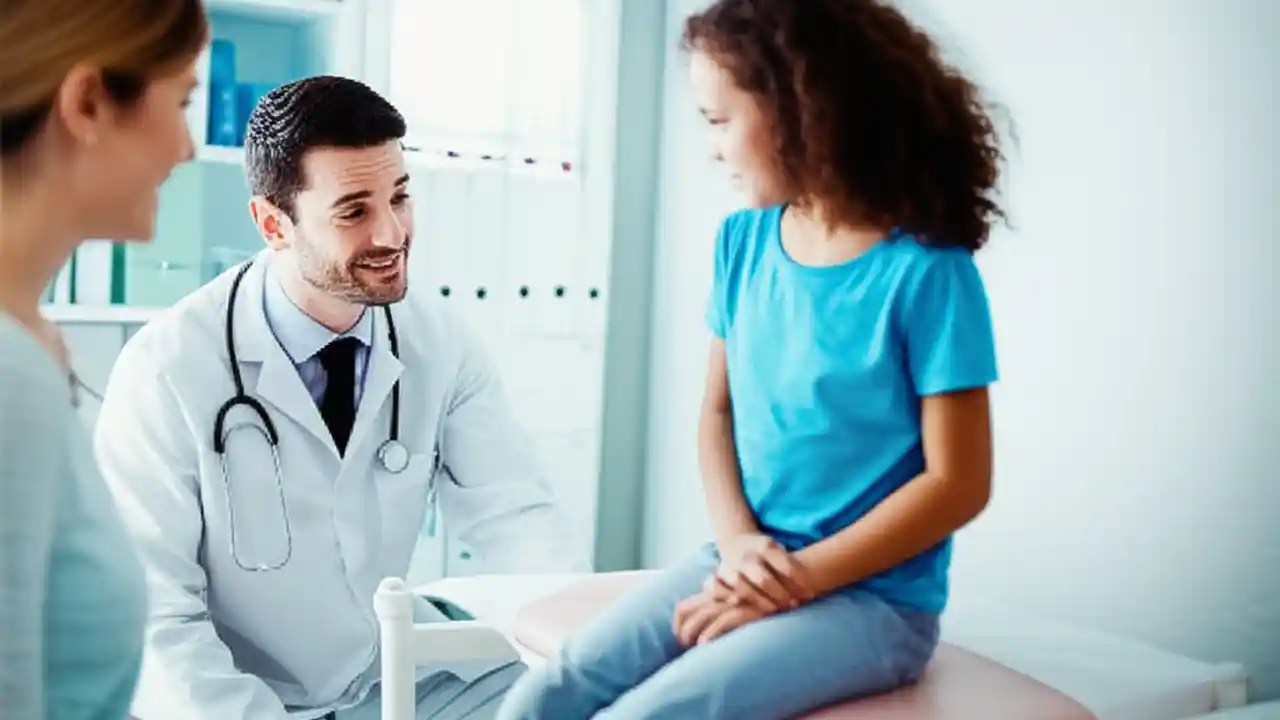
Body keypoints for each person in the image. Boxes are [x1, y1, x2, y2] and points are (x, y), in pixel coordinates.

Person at [498, 0, 1005, 718]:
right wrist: (739, 549)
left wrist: (794, 581)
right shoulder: (743, 243)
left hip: (874, 604)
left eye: (718, 121)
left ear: (804, 108)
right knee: (545, 695)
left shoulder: (927, 273)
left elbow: (959, 483)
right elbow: (717, 411)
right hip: (745, 560)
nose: (712, 148)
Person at [93, 75, 587, 720]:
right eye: (354, 210)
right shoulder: (169, 369)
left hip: (388, 675)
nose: (392, 234)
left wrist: (575, 646)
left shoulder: (437, 343)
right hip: (231, 697)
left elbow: (517, 519)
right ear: (274, 224)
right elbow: (155, 618)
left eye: (401, 198)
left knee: (571, 692)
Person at [0, 1, 207, 718]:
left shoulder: (33, 349)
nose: (187, 147)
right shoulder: (8, 377)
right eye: (181, 100)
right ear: (87, 101)